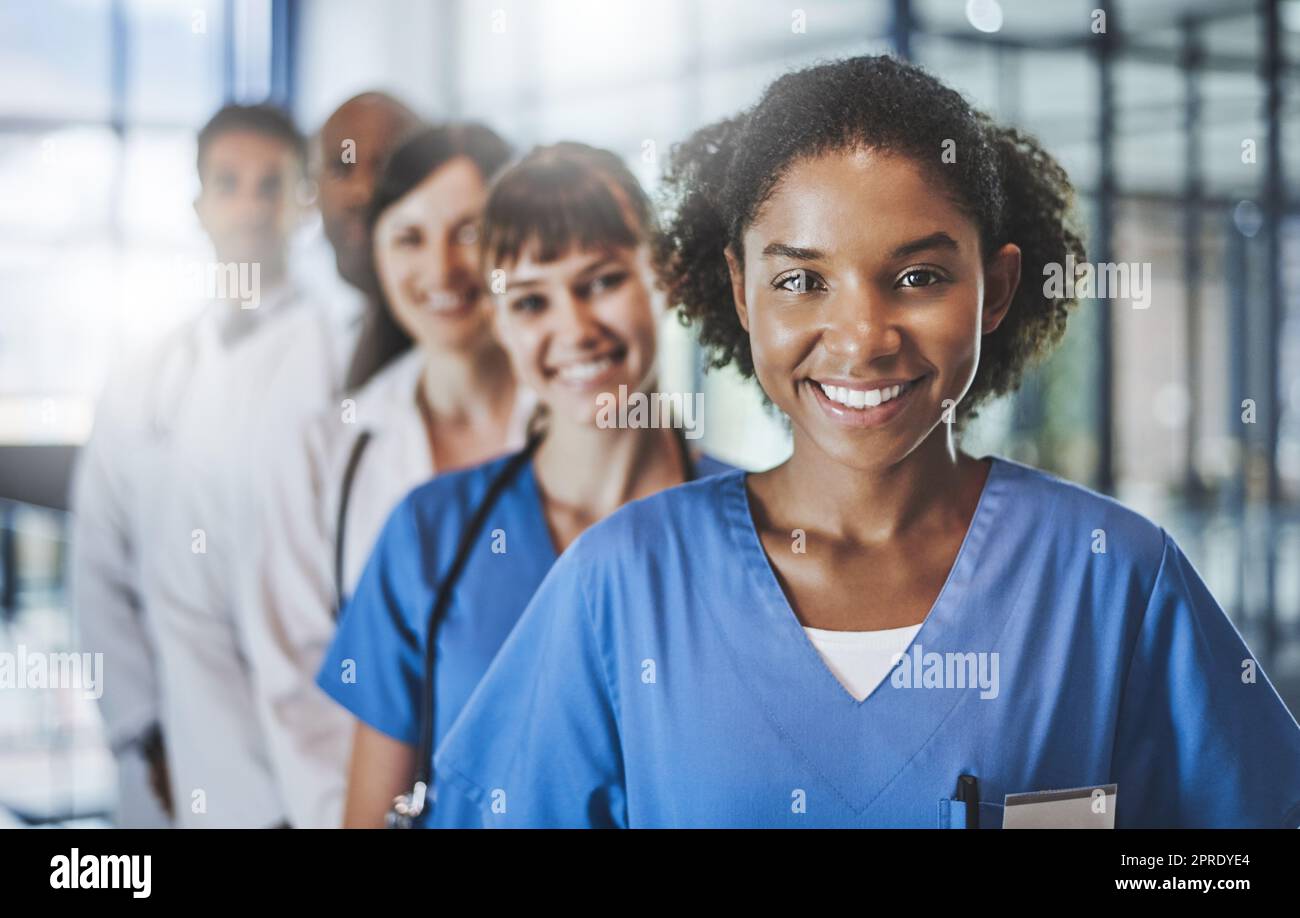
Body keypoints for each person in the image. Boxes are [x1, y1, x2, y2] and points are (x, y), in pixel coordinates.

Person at [432, 55, 1300, 828]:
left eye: (918, 277)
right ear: (740, 291)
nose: (861, 337)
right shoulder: (621, 583)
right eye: (801, 280)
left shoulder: (1115, 576)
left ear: (994, 289)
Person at [316, 142, 730, 828]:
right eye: (533, 300)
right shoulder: (429, 537)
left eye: (601, 281)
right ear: (500, 325)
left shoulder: (757, 531)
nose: (575, 328)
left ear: (663, 278)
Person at [139, 93, 420, 828]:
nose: (363, 188)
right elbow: (197, 597)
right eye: (343, 168)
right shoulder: (207, 370)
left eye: (389, 166)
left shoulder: (376, 365)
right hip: (274, 777)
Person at [245, 123, 534, 829]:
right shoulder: (327, 451)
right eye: (409, 238)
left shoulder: (589, 432)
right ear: (374, 251)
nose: (441, 269)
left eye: (470, 232)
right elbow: (299, 688)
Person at [71, 103, 311, 827]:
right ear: (198, 205)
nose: (251, 205)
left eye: (273, 184)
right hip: (167, 747)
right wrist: (143, 730)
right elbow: (97, 572)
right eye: (229, 182)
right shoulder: (142, 376)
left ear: (304, 204)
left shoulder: (340, 365)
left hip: (298, 751)